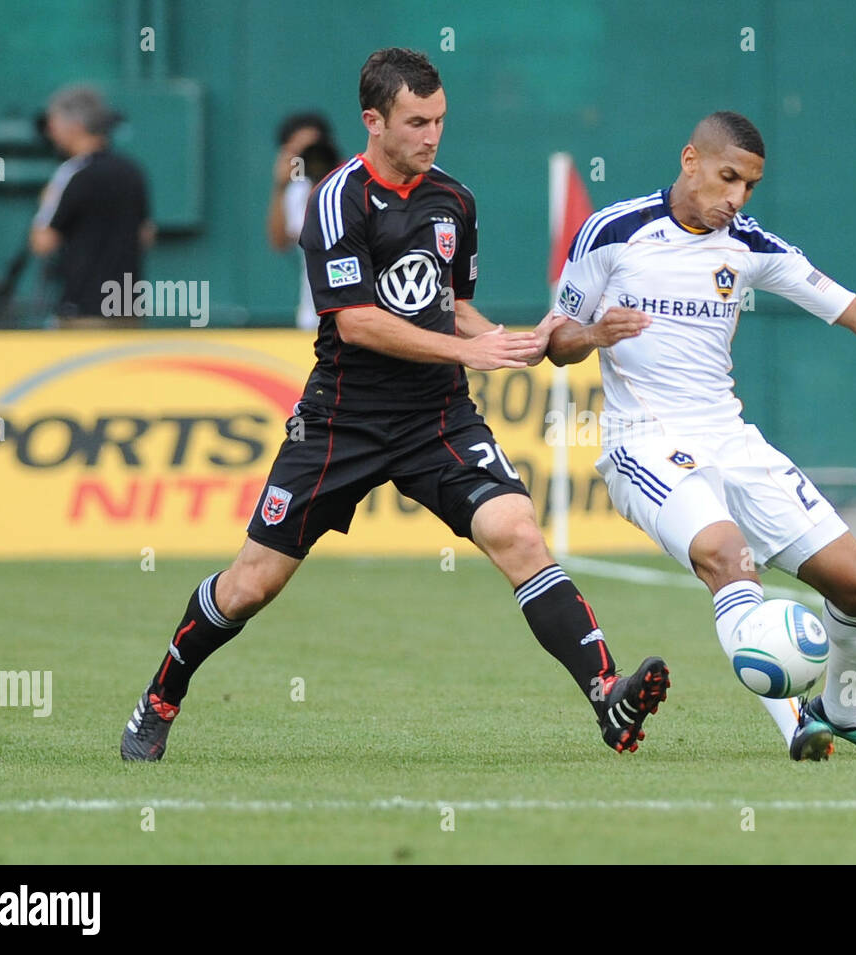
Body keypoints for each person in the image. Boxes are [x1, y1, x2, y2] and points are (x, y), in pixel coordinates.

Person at [120, 48, 669, 762]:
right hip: (340, 419)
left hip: (435, 416)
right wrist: (465, 350)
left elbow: (455, 306)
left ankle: (607, 695)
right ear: (373, 120)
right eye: (416, 121)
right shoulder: (336, 198)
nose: (432, 134)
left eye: (439, 119)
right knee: (252, 584)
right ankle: (161, 695)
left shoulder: (455, 200)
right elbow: (356, 321)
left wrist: (508, 340)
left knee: (519, 534)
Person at [546, 111, 856, 761]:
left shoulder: (749, 245)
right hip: (643, 440)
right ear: (690, 161)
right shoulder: (613, 232)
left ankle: (842, 709)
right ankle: (797, 722)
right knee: (728, 557)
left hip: (730, 437)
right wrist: (597, 333)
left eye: (749, 186)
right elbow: (556, 341)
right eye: (727, 177)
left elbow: (853, 311)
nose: (736, 197)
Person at [29, 85, 154, 327]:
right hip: (127, 308)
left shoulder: (71, 173)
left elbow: (42, 243)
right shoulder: (132, 171)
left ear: (74, 126)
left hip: (82, 311)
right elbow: (145, 235)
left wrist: (46, 203)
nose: (51, 133)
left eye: (54, 124)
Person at [267, 112, 341, 330]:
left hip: (355, 311)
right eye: (300, 152)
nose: (309, 158)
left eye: (313, 149)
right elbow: (279, 242)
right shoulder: (295, 192)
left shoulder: (348, 186)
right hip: (313, 316)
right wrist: (280, 185)